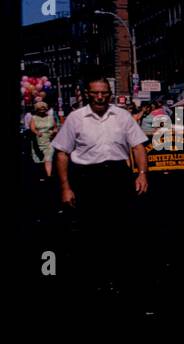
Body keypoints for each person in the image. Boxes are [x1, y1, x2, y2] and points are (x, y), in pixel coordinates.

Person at [50, 76, 149, 297]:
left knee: (121, 228)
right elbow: (62, 153)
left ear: (109, 94)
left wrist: (142, 174)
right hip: (87, 178)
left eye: (104, 92)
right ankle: (94, 280)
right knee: (91, 230)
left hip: (117, 175)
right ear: (87, 93)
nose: (100, 97)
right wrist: (65, 187)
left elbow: (138, 146)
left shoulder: (122, 116)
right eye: (95, 93)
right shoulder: (76, 118)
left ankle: (121, 278)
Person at [29, 100, 59, 178]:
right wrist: (36, 132)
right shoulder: (34, 118)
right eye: (40, 109)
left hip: (49, 140)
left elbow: (55, 127)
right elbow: (32, 128)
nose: (42, 110)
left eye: (44, 109)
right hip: (39, 141)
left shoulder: (50, 117)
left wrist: (55, 131)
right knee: (40, 159)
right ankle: (41, 173)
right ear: (37, 110)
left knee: (48, 157)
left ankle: (49, 176)